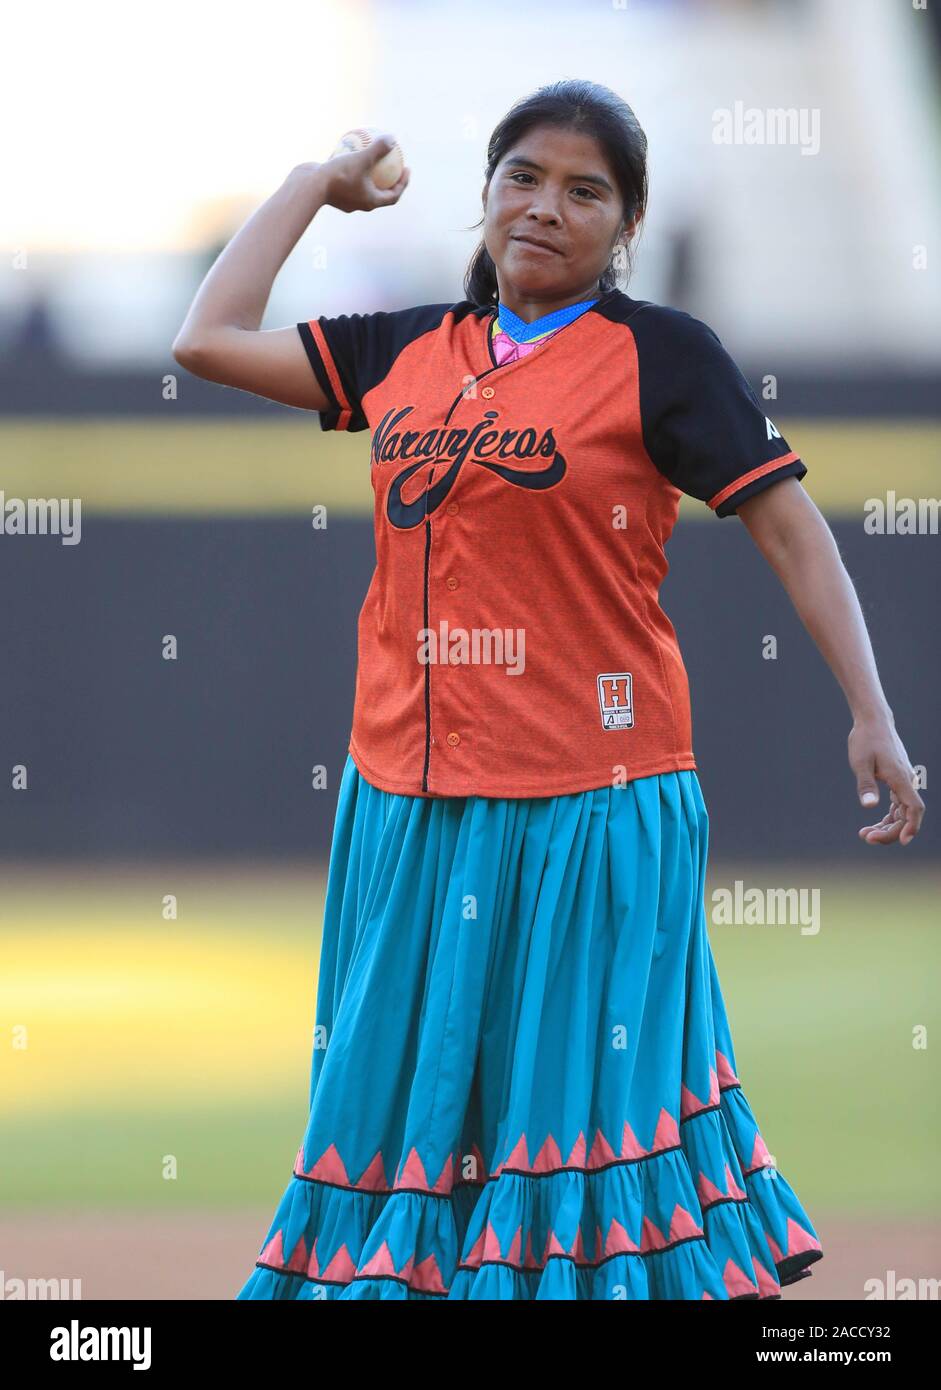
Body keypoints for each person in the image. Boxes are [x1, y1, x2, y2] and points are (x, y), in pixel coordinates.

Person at [173, 79, 924, 1301]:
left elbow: (791, 533)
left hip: (590, 799)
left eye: (585, 191)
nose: (543, 208)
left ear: (622, 228)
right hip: (407, 804)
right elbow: (203, 340)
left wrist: (871, 712)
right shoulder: (408, 346)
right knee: (408, 1108)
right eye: (521, 176)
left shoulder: (661, 357)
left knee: (563, 1120)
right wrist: (317, 182)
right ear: (484, 193)